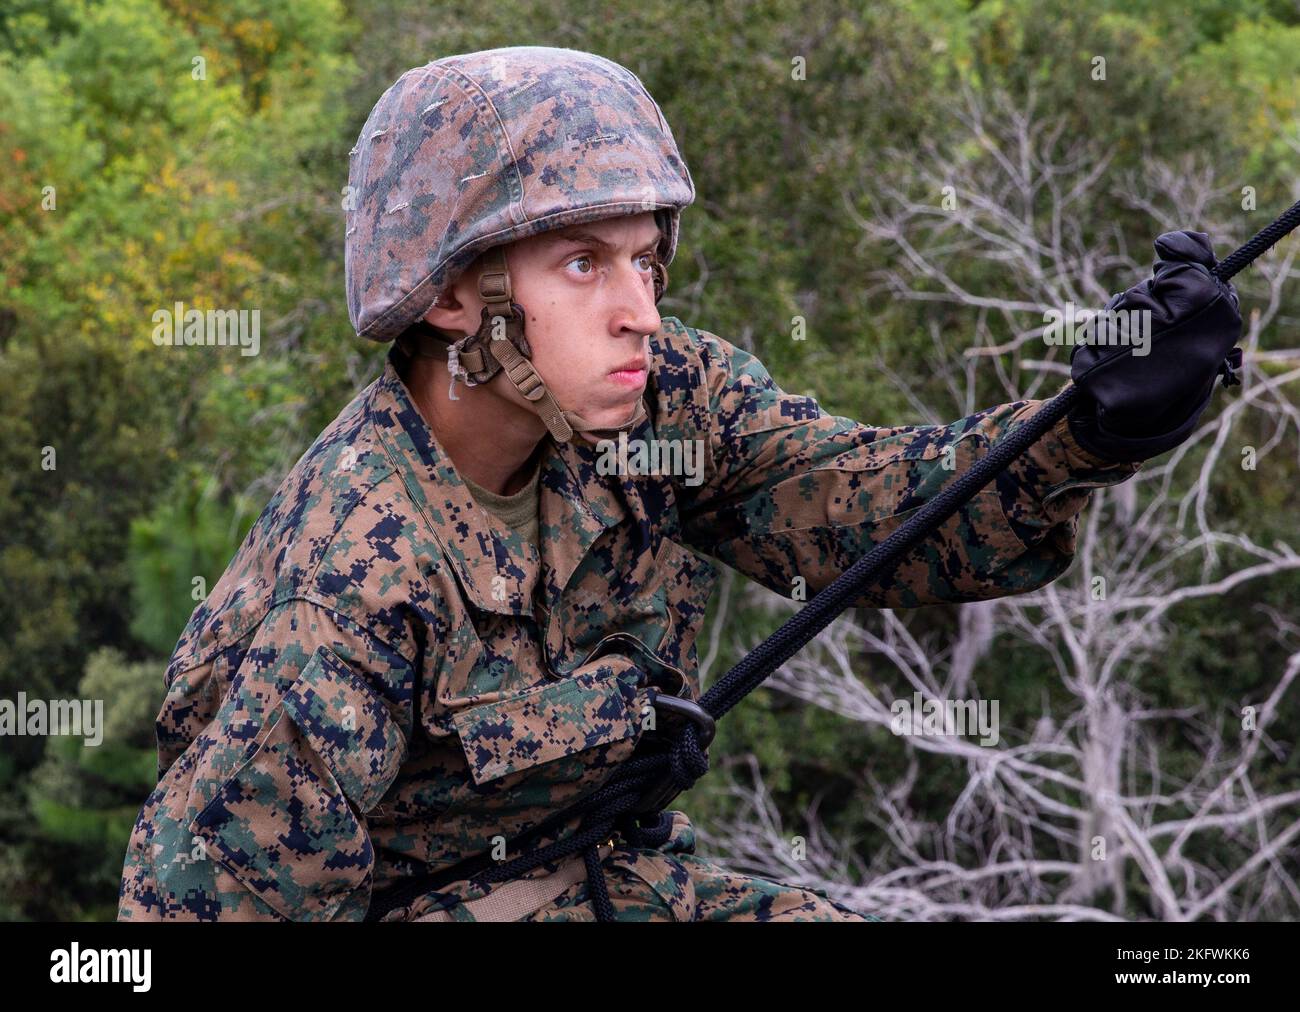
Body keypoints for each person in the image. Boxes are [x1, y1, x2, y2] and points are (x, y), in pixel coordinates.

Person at [117, 46, 1242, 922]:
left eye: (645, 259)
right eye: (581, 264)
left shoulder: (664, 401)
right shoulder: (351, 571)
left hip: (620, 882)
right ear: (451, 294)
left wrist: (1087, 424)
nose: (640, 310)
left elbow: (872, 512)